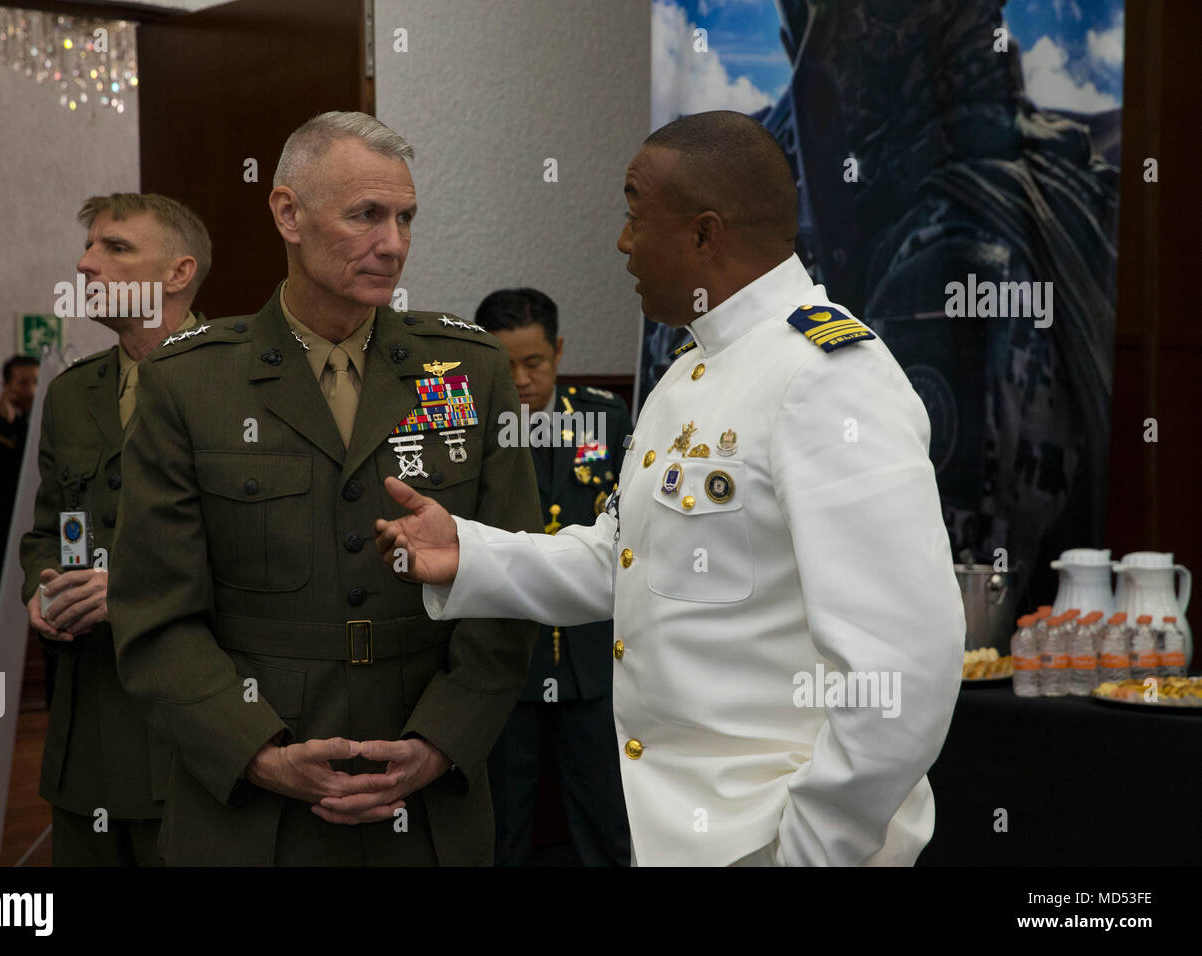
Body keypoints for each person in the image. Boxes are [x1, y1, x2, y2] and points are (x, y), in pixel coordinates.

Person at [374, 111, 965, 867]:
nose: (622, 241)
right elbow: (623, 559)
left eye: (633, 214)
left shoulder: (826, 377)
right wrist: (470, 554)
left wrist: (813, 850)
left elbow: (902, 668)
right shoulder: (686, 375)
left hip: (774, 841)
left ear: (704, 235)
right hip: (678, 840)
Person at [107, 111, 541, 866]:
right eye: (366, 215)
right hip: (249, 810)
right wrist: (259, 753)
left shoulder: (469, 371)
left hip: (424, 802)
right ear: (288, 213)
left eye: (406, 217)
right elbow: (155, 615)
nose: (394, 243)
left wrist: (441, 741)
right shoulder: (191, 383)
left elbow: (509, 582)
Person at [18, 192, 212, 866]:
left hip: (197, 727)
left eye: (115, 248)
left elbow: (273, 553)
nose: (84, 263)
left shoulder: (238, 380)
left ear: (178, 273)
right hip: (90, 721)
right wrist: (38, 590)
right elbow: (47, 528)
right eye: (89, 246)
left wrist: (130, 588)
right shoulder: (72, 395)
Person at [473, 287, 630, 866]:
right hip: (508, 660)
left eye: (533, 362)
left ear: (559, 352)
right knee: (504, 824)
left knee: (604, 818)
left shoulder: (604, 421)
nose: (519, 379)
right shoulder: (466, 432)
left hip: (590, 661)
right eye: (503, 363)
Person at [0, 355, 39, 605]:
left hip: (37, 523)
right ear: (7, 386)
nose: (32, 390)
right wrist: (8, 426)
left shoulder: (47, 423)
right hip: (1, 526)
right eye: (24, 383)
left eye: (37, 382)